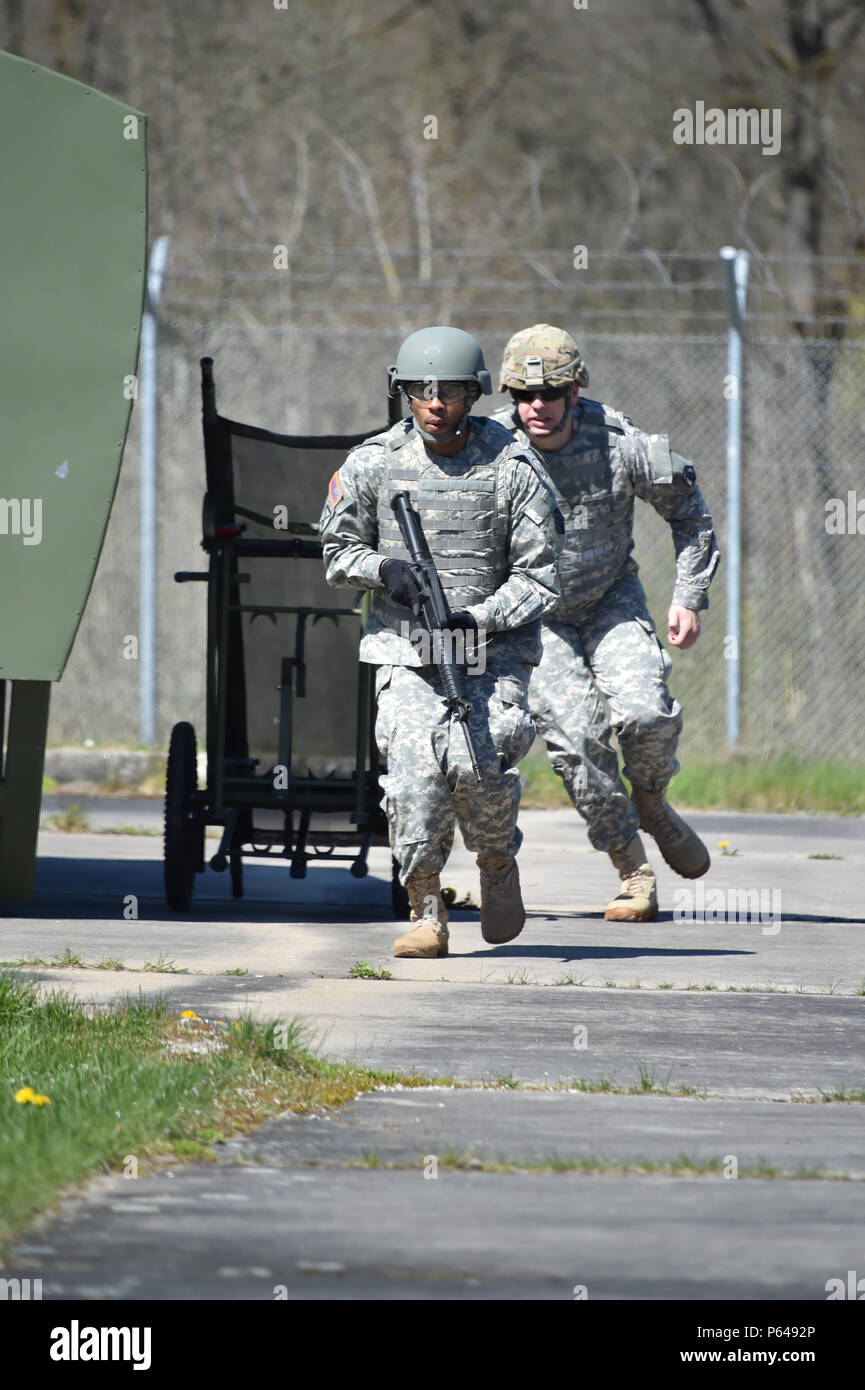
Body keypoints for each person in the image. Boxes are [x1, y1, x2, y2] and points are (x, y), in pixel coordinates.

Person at [319, 326, 563, 957]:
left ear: (474, 394)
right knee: (412, 779)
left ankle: (496, 862)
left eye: (448, 392)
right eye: (420, 392)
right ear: (403, 393)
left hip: (492, 649)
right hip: (407, 651)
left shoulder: (512, 466)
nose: (434, 405)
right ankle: (426, 907)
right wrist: (384, 571)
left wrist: (477, 619)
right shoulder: (373, 462)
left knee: (477, 766)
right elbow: (336, 550)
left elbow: (541, 578)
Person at [491, 324, 720, 921]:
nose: (535, 407)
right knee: (578, 742)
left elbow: (691, 517)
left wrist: (688, 596)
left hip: (610, 599)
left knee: (645, 711)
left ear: (575, 391)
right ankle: (633, 872)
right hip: (535, 615)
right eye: (522, 395)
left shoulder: (622, 443)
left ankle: (652, 798)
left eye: (549, 394)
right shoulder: (491, 449)